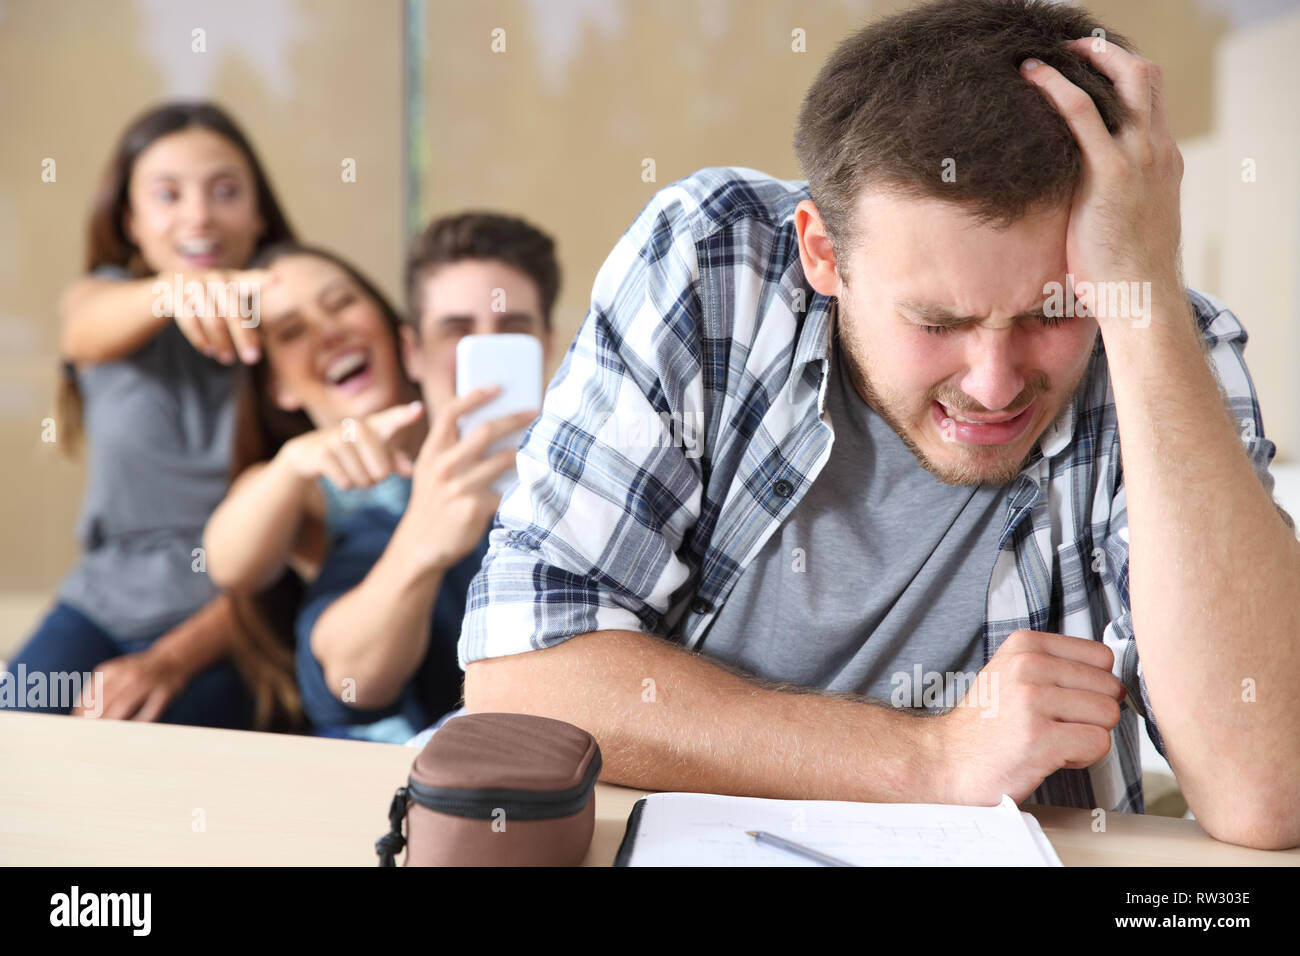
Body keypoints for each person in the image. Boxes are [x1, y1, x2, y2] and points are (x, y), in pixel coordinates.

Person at [459, 0, 1300, 849]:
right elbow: (522, 676)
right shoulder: (713, 263)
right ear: (822, 254)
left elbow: (1268, 790)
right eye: (937, 323)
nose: (996, 383)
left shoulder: (1160, 335)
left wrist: (1142, 294)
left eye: (1056, 311)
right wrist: (930, 761)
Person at [205, 214, 555, 741]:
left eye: (340, 302)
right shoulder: (345, 502)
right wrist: (297, 462)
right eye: (293, 330)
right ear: (414, 347)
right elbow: (229, 563)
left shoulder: (583, 478)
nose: (329, 332)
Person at [3, 102, 294, 728]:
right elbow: (82, 327)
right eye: (168, 194)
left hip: (236, 621)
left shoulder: (293, 329)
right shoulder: (104, 302)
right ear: (131, 221)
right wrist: (177, 292)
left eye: (226, 191)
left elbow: (295, 556)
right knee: (17, 724)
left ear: (259, 212)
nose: (199, 215)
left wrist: (169, 660)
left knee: (146, 755)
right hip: (97, 606)